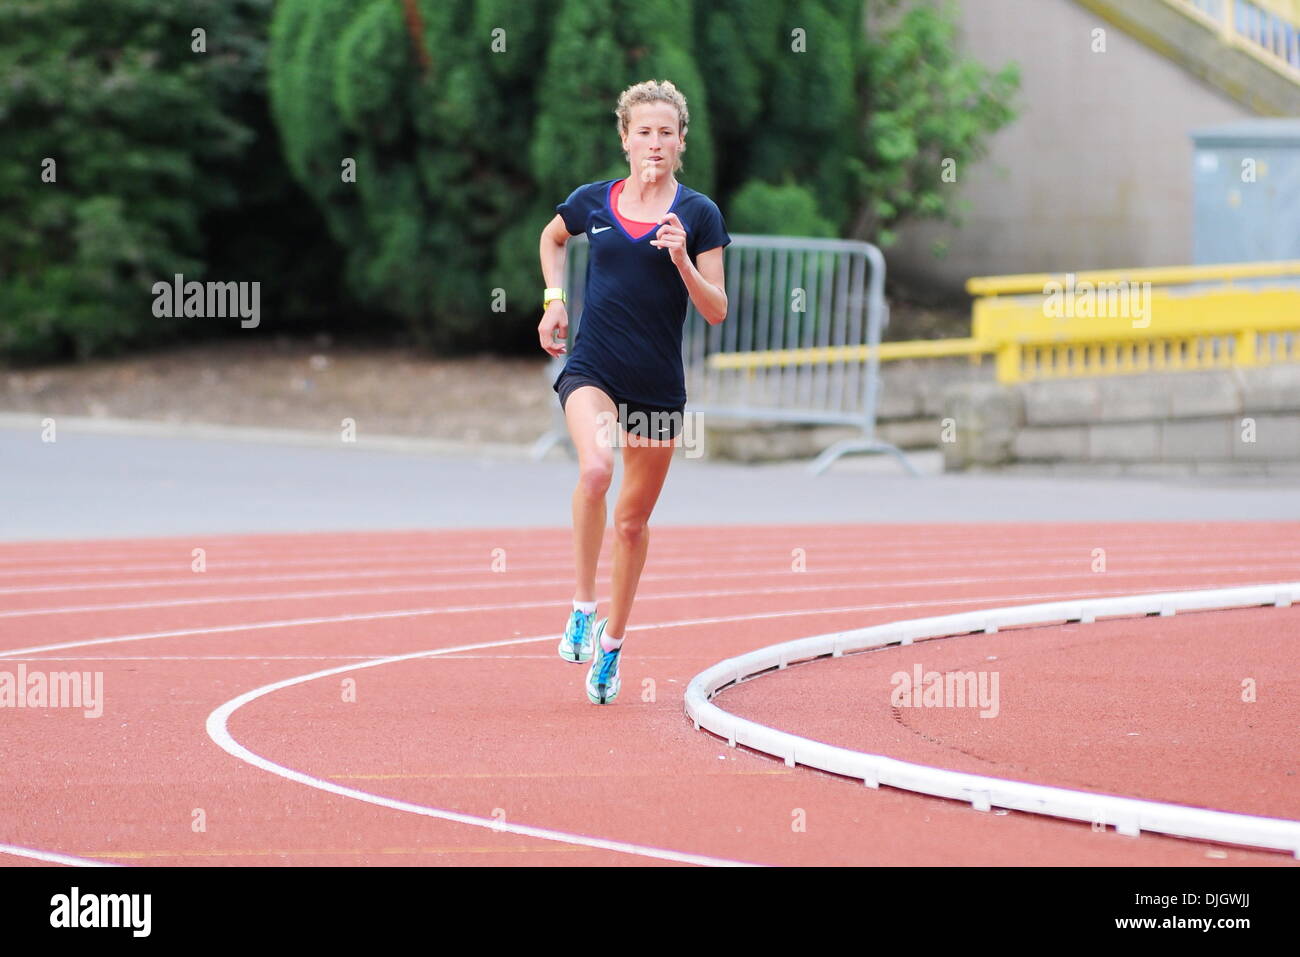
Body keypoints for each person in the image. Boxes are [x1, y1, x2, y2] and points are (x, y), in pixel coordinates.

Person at [537, 78, 730, 705]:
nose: (654, 142)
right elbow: (552, 237)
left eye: (665, 133)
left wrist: (681, 261)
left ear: (680, 144)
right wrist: (554, 301)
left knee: (631, 522)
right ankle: (581, 608)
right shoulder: (594, 201)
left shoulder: (698, 215)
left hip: (656, 384)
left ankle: (612, 646)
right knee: (595, 471)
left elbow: (717, 310)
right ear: (625, 139)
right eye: (643, 131)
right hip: (593, 366)